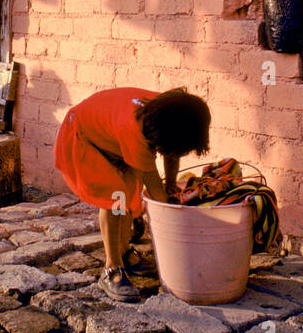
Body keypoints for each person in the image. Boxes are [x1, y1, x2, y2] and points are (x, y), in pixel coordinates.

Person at [53, 87, 211, 301]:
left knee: (128, 194)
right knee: (116, 197)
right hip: (80, 137)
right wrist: (174, 215)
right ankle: (112, 269)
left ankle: (124, 250)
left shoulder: (169, 112)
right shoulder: (136, 128)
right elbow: (155, 189)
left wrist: (172, 184)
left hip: (112, 140)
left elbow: (171, 151)